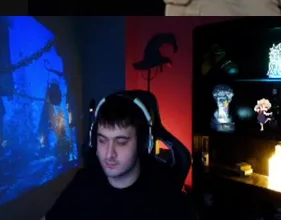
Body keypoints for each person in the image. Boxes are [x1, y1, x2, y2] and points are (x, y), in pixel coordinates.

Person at [45, 94, 193, 220]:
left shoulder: (169, 201)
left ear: (143, 144)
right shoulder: (83, 181)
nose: (109, 154)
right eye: (102, 140)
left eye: (121, 142)